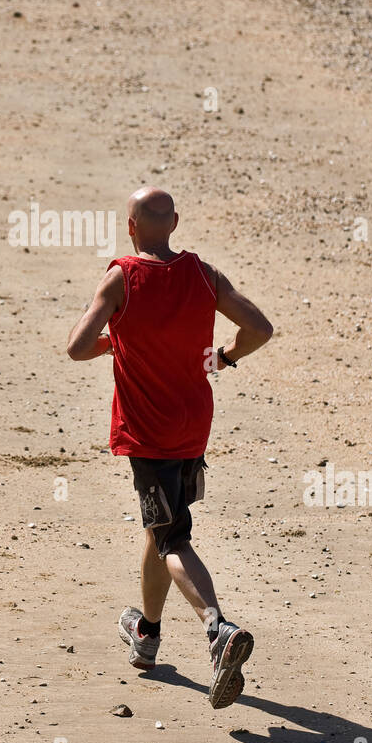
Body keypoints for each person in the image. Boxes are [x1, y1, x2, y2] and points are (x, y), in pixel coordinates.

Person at [66, 187, 273, 708]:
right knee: (159, 526)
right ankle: (148, 636)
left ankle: (217, 629)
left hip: (149, 432)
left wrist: (117, 336)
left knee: (173, 538)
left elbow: (75, 347)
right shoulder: (203, 275)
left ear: (131, 226)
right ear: (175, 223)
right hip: (191, 426)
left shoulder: (122, 277)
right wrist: (221, 358)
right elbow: (260, 328)